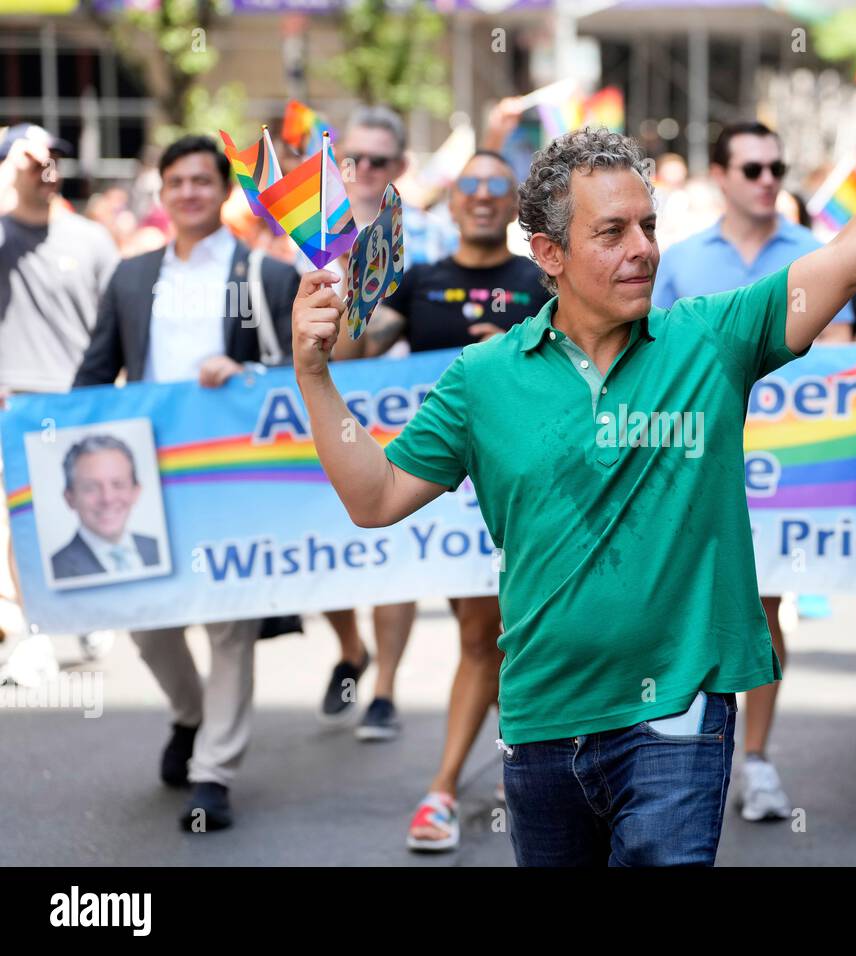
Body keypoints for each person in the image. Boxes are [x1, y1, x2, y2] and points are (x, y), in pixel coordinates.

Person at [291, 40, 856, 866]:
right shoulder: (482, 378)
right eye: (613, 232)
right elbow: (374, 497)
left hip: (678, 714)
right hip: (539, 721)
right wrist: (313, 374)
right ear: (549, 254)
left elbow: (850, 257)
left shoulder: (712, 340)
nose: (643, 248)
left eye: (650, 226)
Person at [74, 134, 298, 831]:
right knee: (144, 618)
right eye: (178, 182)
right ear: (162, 193)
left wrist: (247, 376)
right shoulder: (132, 277)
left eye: (204, 180)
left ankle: (213, 772)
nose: (190, 192)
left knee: (229, 627)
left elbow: (298, 375)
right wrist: (42, 429)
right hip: (140, 474)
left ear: (222, 191)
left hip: (228, 476)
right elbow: (94, 372)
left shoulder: (264, 277)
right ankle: (191, 713)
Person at [333, 149, 548, 850]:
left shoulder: (541, 282)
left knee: (482, 638)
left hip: (521, 492)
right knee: (485, 636)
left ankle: (445, 787)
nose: (482, 197)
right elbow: (351, 357)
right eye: (470, 186)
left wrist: (516, 354)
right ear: (451, 202)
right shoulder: (417, 281)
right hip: (438, 493)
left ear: (515, 202)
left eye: (496, 186)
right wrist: (340, 300)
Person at [650, 120, 856, 823]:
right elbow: (650, 361)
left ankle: (757, 759)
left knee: (764, 610)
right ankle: (673, 747)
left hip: (790, 468)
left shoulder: (814, 256)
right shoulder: (676, 261)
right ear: (720, 177)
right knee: (681, 603)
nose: (770, 179)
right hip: (698, 466)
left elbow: (849, 357)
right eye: (753, 168)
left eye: (777, 166)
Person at [317, 105, 459, 738]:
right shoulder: (309, 233)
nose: (364, 170)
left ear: (401, 167)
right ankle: (351, 647)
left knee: (391, 546)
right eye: (354, 159)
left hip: (402, 417)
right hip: (324, 410)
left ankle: (384, 690)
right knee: (317, 554)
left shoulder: (429, 239)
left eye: (378, 160)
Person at [0, 122, 119, 670]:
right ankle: (36, 628)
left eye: (55, 158)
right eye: (34, 158)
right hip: (14, 402)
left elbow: (116, 323)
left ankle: (90, 613)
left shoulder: (90, 238)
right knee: (23, 522)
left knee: (85, 510)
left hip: (79, 400)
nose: (47, 167)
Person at [52, 435, 161, 580]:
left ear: (136, 491)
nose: (107, 499)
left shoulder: (159, 550)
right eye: (90, 488)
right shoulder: (57, 570)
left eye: (118, 484)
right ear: (70, 498)